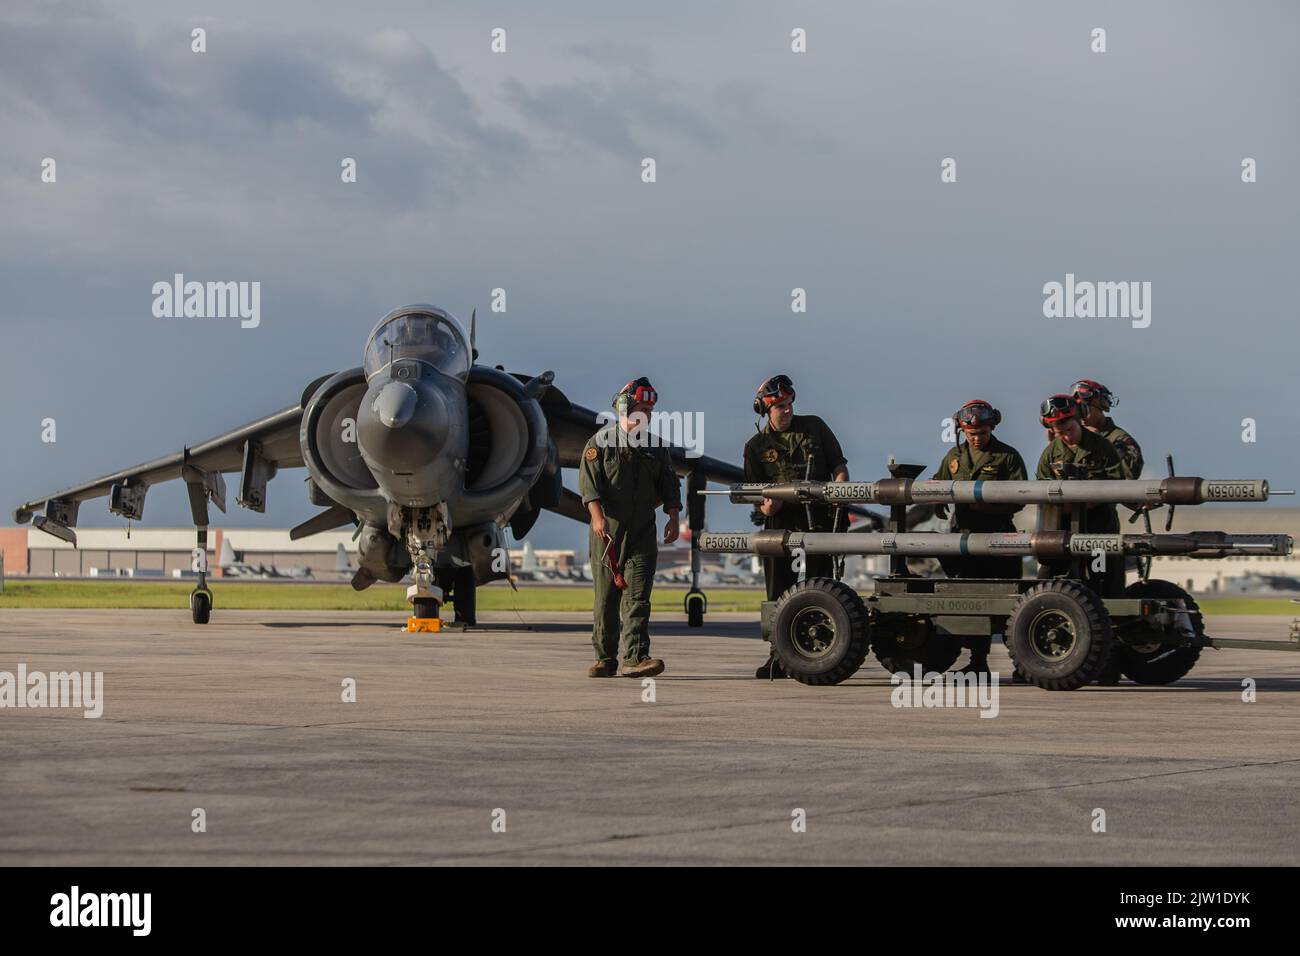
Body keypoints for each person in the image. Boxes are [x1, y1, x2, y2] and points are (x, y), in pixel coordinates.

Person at [743, 374, 849, 678]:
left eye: (789, 405)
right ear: (766, 410)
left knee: (821, 585)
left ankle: (823, 652)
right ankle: (778, 654)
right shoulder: (756, 446)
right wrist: (764, 505)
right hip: (780, 522)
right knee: (778, 589)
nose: (786, 411)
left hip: (819, 518)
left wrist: (840, 490)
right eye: (779, 407)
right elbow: (753, 492)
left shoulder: (815, 426)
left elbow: (838, 466)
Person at [578, 377, 682, 678]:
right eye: (641, 409)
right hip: (608, 534)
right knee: (607, 598)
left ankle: (636, 657)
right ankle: (604, 657)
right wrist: (597, 518)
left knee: (638, 597)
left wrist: (673, 517)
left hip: (642, 533)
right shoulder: (599, 444)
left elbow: (670, 485)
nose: (646, 416)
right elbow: (590, 485)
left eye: (649, 411)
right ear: (624, 409)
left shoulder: (656, 448)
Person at [932, 400, 1028, 674]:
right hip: (963, 536)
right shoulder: (954, 457)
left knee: (1008, 602)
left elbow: (1021, 497)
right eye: (971, 433)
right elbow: (938, 482)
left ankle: (1022, 664)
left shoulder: (1007, 456)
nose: (976, 438)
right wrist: (937, 501)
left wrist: (987, 506)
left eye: (982, 433)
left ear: (991, 428)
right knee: (972, 600)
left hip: (998, 537)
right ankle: (977, 662)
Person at [1072, 379, 1144, 478]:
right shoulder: (1071, 438)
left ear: (1100, 405)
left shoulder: (1121, 440)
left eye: (1085, 409)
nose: (1081, 415)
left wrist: (1098, 443)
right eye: (1078, 410)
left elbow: (1127, 476)